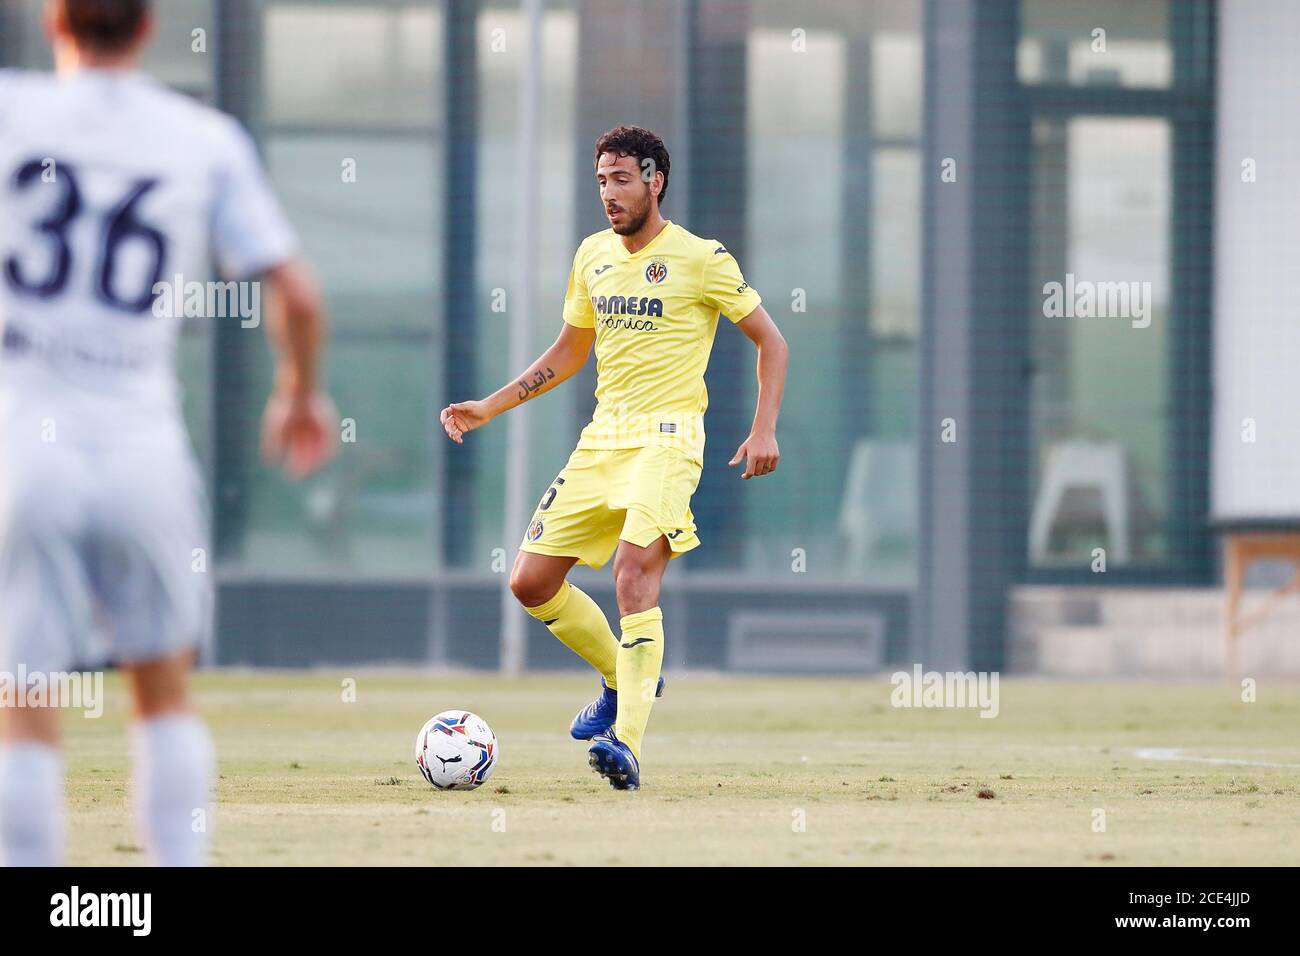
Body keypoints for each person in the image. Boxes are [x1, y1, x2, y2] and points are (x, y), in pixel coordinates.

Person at [0, 0, 336, 865]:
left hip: (23, 445)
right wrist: (299, 393)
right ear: (148, 28)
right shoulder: (204, 137)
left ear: (52, 20)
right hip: (141, 442)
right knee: (163, 691)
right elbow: (296, 296)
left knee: (23, 700)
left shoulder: (12, 109)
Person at [440, 125, 788, 790]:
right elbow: (569, 353)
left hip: (669, 440)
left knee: (633, 574)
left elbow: (772, 343)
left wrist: (763, 428)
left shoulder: (701, 258)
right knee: (529, 582)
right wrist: (489, 405)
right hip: (603, 440)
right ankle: (618, 677)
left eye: (621, 177)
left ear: (655, 180)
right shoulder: (593, 256)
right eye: (601, 179)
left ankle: (624, 740)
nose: (608, 192)